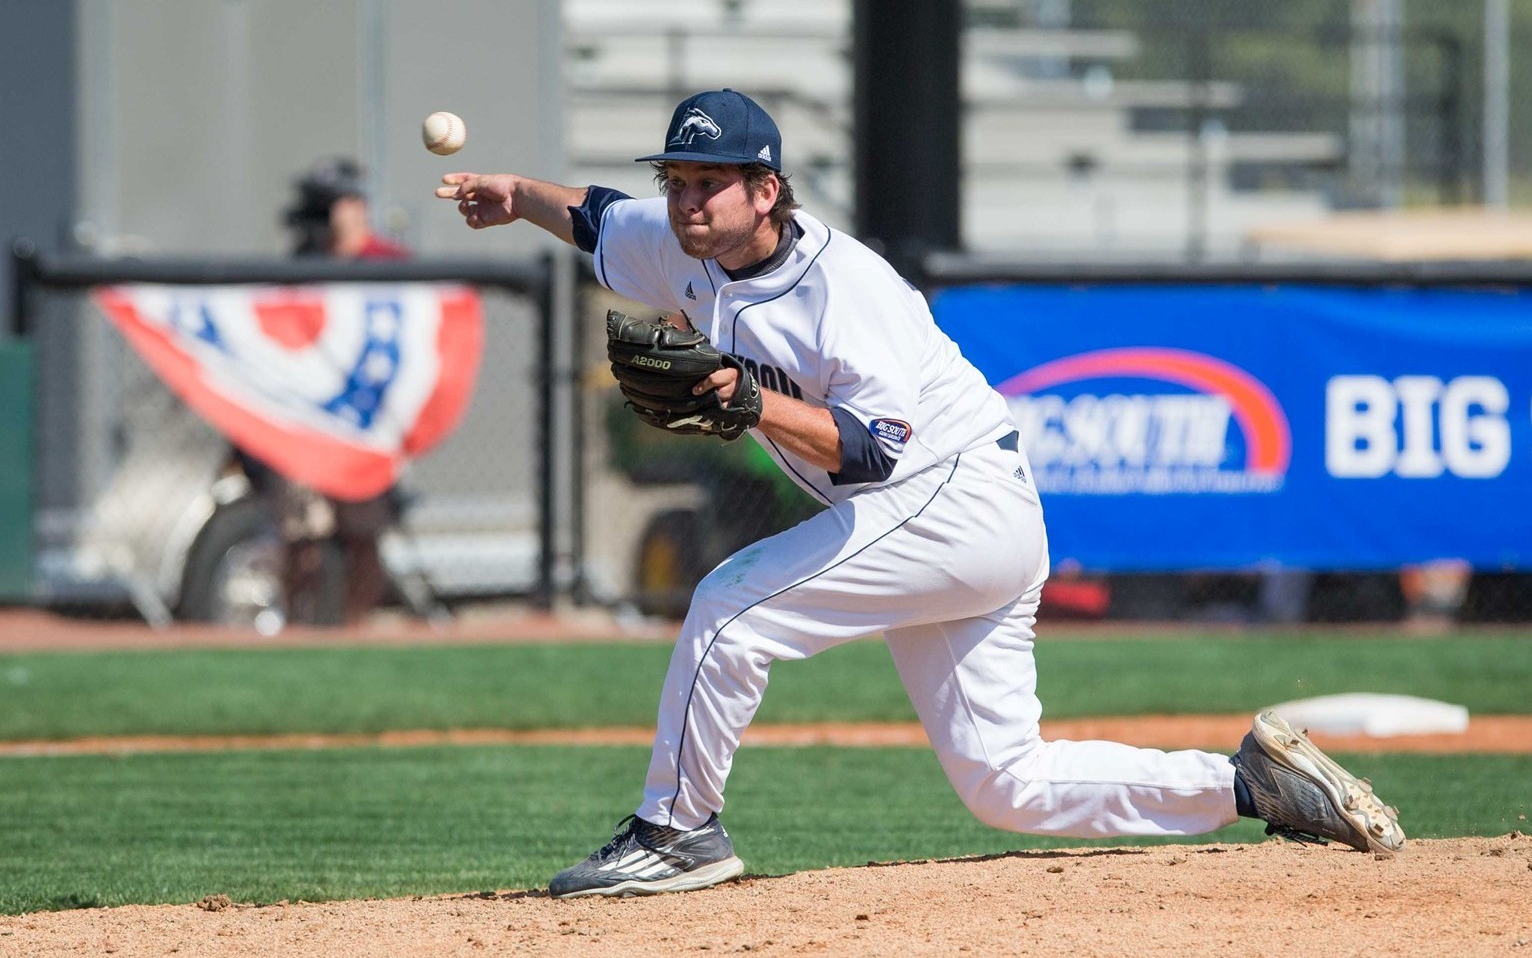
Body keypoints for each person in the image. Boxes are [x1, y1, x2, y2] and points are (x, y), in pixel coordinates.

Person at [435, 89, 1406, 898]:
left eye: (710, 181)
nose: (686, 199)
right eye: (678, 181)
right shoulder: (685, 240)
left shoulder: (844, 287)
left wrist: (746, 399)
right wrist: (513, 193)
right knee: (1004, 782)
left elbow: (868, 453)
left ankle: (678, 828)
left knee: (728, 609)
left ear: (765, 188)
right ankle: (1253, 784)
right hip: (953, 517)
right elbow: (598, 218)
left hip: (949, 498)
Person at [239, 157, 409, 627]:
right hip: (306, 425)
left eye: (340, 203)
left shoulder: (388, 263)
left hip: (365, 428)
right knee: (301, 540)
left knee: (363, 540)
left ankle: (352, 633)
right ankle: (298, 632)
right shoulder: (302, 265)